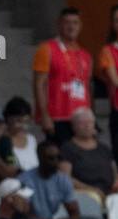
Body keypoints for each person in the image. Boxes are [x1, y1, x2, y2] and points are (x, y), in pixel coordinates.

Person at [31, 8, 92, 143]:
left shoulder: (85, 55)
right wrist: (44, 116)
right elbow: (39, 84)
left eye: (75, 23)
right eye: (67, 23)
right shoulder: (47, 49)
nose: (71, 27)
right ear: (59, 24)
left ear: (80, 26)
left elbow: (86, 87)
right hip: (57, 117)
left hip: (80, 119)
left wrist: (89, 116)